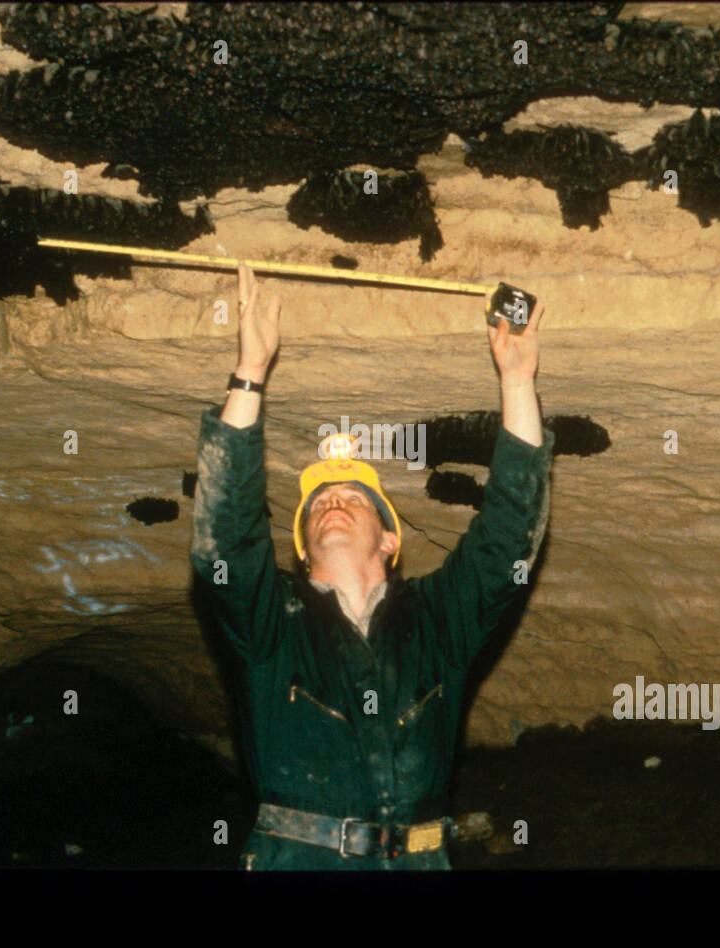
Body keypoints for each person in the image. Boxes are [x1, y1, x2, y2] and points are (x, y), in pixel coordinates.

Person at [191, 263, 553, 869]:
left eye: (353, 499)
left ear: (389, 540)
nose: (333, 502)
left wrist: (518, 381)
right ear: (302, 549)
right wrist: (250, 372)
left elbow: (509, 536)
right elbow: (222, 541)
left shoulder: (439, 623)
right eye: (319, 505)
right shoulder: (272, 627)